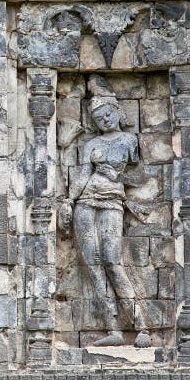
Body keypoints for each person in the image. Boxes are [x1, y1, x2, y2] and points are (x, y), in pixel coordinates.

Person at [59, 92, 150, 348]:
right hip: (86, 202)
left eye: (109, 114)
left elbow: (141, 178)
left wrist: (116, 177)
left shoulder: (129, 140)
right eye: (99, 119)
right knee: (94, 267)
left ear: (118, 111)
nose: (105, 120)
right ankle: (113, 330)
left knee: (113, 261)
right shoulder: (91, 145)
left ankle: (141, 325)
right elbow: (82, 175)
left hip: (112, 201)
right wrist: (68, 201)